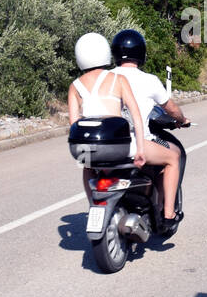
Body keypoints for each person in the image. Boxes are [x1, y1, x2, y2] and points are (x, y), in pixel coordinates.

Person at [111, 28, 190, 229]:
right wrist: (181, 119)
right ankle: (168, 215)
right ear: (141, 53)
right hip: (138, 142)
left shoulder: (105, 78)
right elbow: (171, 109)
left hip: (109, 143)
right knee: (174, 156)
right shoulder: (149, 80)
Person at [68, 33, 146, 213]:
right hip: (116, 147)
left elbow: (74, 124)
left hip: (85, 149)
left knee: (88, 167)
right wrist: (140, 149)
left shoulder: (74, 86)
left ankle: (93, 206)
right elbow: (136, 115)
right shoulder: (118, 79)